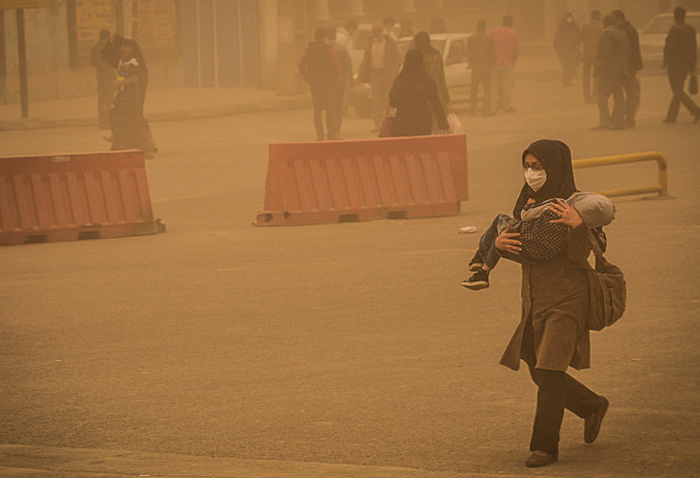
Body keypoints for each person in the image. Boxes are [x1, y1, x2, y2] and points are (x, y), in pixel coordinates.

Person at [494, 139, 611, 468]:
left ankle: (545, 446)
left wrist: (578, 227)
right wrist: (501, 244)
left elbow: (581, 254)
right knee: (535, 363)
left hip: (567, 299)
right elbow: (525, 246)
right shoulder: (528, 203)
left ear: (555, 167)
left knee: (550, 370)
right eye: (528, 166)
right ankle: (591, 405)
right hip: (534, 300)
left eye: (538, 166)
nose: (531, 173)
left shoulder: (576, 205)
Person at [462, 191, 615, 290]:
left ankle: (481, 262)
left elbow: (524, 215)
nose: (532, 173)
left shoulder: (559, 204)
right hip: (539, 275)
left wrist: (529, 205)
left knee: (500, 222)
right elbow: (600, 245)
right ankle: (482, 267)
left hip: (562, 293)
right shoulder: (590, 224)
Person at [102, 35, 157, 152]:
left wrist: (122, 84)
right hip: (127, 92)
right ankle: (122, 141)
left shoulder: (132, 62)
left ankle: (146, 143)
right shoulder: (123, 60)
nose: (125, 50)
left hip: (134, 92)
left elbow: (135, 78)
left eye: (127, 48)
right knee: (120, 115)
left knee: (135, 117)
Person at [387, 49, 449, 137]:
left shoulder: (400, 79)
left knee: (405, 149)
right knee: (422, 148)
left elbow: (393, 102)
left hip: (403, 121)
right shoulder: (428, 80)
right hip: (423, 121)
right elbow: (436, 104)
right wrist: (443, 124)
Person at [357, 22, 402, 132]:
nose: (377, 34)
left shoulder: (390, 42)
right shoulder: (370, 43)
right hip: (375, 74)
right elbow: (366, 60)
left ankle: (389, 123)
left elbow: (399, 59)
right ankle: (378, 124)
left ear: (382, 31)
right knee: (377, 99)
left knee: (388, 99)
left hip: (388, 74)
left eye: (378, 31)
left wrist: (394, 72)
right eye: (375, 31)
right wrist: (360, 76)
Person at [298, 27, 341, 141]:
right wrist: (333, 81)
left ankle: (320, 134)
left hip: (315, 85)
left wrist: (308, 80)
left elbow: (301, 67)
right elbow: (337, 68)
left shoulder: (308, 50)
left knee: (317, 111)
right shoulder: (329, 50)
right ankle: (331, 134)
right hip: (328, 85)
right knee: (330, 110)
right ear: (324, 37)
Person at [662, 6, 700, 124]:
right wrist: (693, 65)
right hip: (686, 64)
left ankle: (695, 110)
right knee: (678, 89)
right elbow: (694, 47)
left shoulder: (674, 30)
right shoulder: (690, 29)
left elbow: (671, 48)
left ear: (674, 16)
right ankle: (671, 117)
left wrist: (666, 61)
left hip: (675, 64)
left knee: (677, 90)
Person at [593, 15, 629, 130]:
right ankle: (619, 120)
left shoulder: (607, 34)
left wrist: (600, 68)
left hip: (609, 70)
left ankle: (605, 121)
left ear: (605, 23)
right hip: (621, 70)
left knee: (602, 96)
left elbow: (606, 53)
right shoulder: (623, 34)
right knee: (618, 95)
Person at [612, 10, 643, 127]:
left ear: (619, 18)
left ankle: (626, 117)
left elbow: (627, 52)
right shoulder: (631, 29)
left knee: (626, 93)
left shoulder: (623, 31)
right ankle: (629, 117)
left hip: (627, 67)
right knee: (630, 93)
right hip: (631, 66)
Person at [412, 31, 452, 123]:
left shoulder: (413, 57)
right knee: (437, 127)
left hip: (418, 98)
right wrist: (447, 100)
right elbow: (442, 80)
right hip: (436, 96)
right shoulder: (437, 57)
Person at [491, 15, 521, 113]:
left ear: (502, 21)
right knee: (506, 86)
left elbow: (489, 46)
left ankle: (495, 106)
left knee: (496, 86)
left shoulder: (493, 32)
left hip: (495, 63)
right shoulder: (514, 34)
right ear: (511, 23)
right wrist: (513, 62)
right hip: (508, 63)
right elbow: (516, 50)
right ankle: (507, 106)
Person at [467, 20, 496, 116]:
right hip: (487, 66)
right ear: (485, 27)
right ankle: (485, 110)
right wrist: (492, 64)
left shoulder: (471, 38)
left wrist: (470, 63)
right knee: (487, 89)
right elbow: (492, 53)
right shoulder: (489, 38)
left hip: (475, 66)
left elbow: (469, 52)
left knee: (474, 88)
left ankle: (473, 109)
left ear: (477, 27)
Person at [328, 27, 352, 140]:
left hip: (327, 82)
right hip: (340, 81)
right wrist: (351, 78)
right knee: (338, 106)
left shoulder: (325, 49)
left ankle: (330, 129)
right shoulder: (341, 49)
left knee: (329, 106)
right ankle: (336, 128)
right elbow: (348, 64)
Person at [90, 29, 114, 129]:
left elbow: (93, 63)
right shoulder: (109, 48)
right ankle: (108, 121)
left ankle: (102, 122)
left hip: (100, 76)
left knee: (101, 99)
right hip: (109, 76)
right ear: (108, 37)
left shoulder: (95, 49)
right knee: (109, 99)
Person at [580, 10, 603, 103]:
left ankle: (586, 97)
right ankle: (595, 96)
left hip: (586, 55)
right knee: (596, 76)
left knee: (586, 77)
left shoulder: (585, 27)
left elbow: (581, 38)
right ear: (598, 16)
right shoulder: (601, 27)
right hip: (597, 55)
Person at [553, 13, 581, 87]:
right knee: (566, 66)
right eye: (568, 17)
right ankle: (566, 81)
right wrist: (559, 50)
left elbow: (579, 37)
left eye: (570, 17)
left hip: (572, 50)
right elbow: (556, 42)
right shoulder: (561, 28)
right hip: (564, 51)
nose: (569, 19)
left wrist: (577, 45)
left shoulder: (575, 27)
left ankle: (568, 80)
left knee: (571, 65)